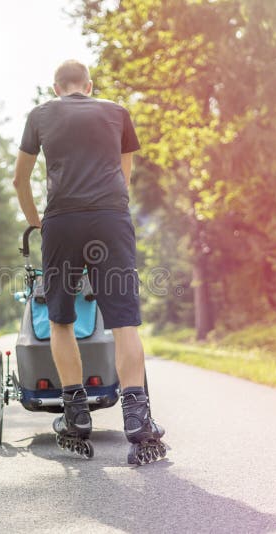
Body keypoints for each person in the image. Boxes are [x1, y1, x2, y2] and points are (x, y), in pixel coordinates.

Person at [12, 59, 166, 464]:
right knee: (124, 321)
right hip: (110, 219)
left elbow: (19, 179)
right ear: (89, 85)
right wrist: (109, 210)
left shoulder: (40, 115)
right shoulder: (117, 112)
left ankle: (75, 413)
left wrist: (38, 223)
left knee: (61, 319)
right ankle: (137, 419)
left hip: (62, 221)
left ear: (56, 87)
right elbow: (123, 175)